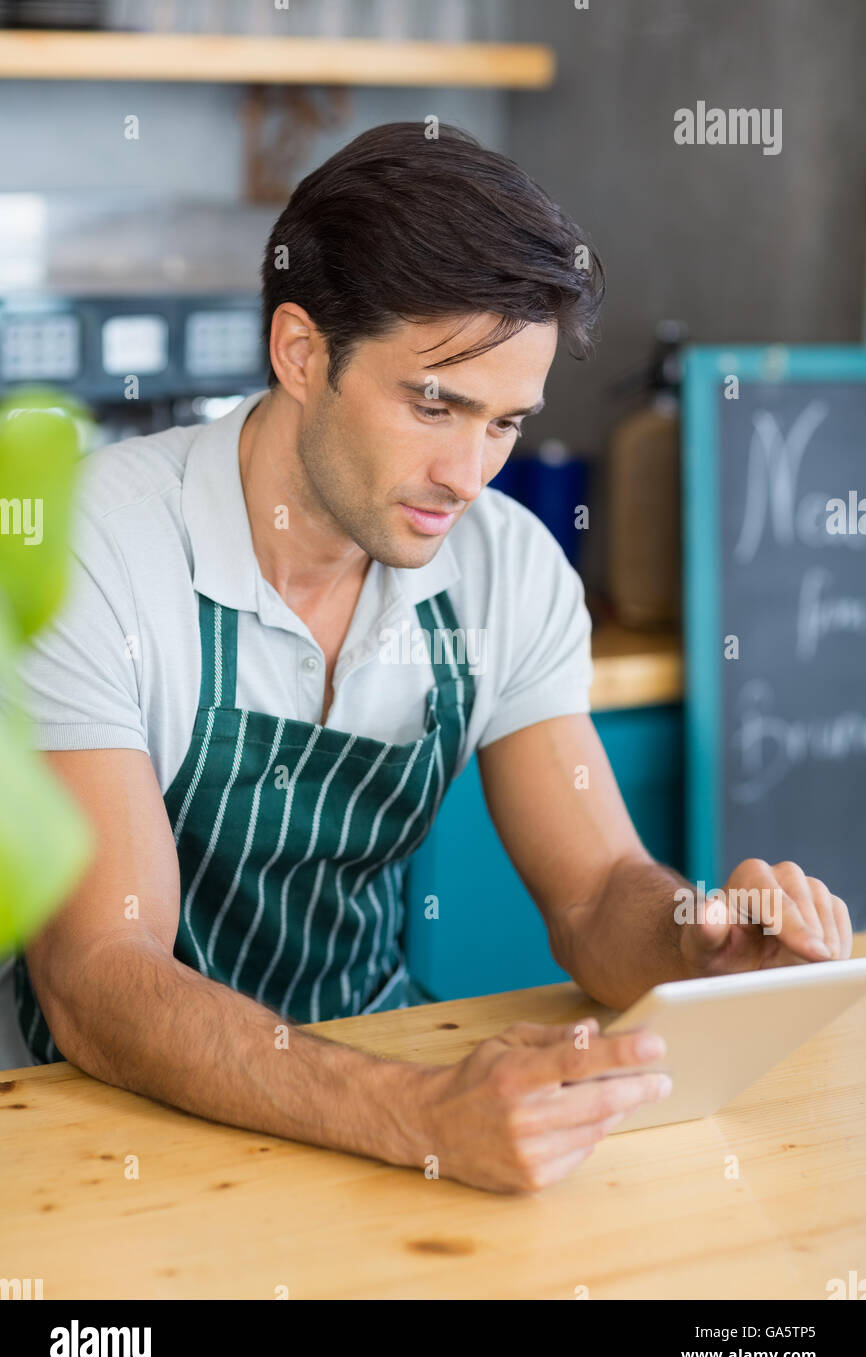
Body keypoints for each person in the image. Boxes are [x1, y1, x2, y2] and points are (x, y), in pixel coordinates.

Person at [15, 123, 852, 1194]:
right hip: (101, 1129)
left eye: (504, 423)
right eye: (433, 404)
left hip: (373, 1079)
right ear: (301, 353)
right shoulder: (96, 545)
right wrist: (412, 1113)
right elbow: (100, 973)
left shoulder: (507, 569)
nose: (468, 475)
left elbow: (598, 891)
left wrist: (698, 943)